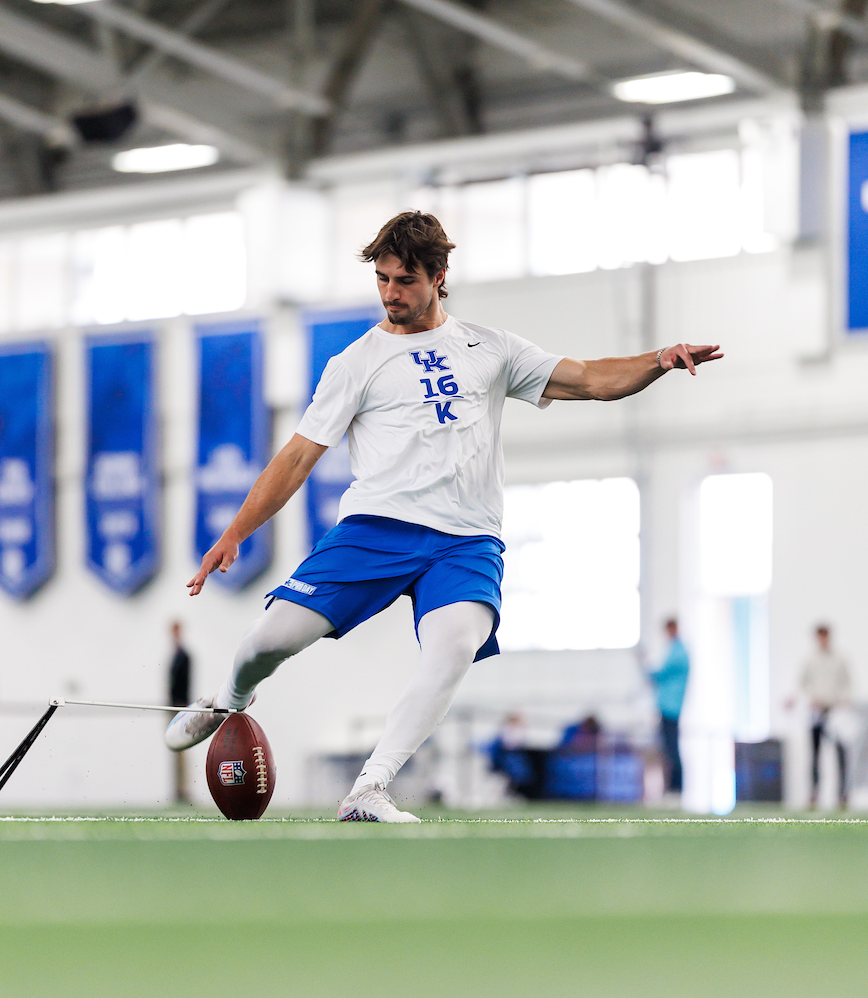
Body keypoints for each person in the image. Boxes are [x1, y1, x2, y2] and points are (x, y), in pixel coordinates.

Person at [165, 210, 722, 822]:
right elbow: (298, 456)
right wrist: (235, 533)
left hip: (466, 540)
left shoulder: (491, 348)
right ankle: (228, 698)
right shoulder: (356, 362)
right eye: (381, 279)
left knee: (455, 644)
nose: (390, 294)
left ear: (440, 275)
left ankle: (369, 789)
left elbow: (590, 379)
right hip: (376, 529)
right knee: (271, 640)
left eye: (404, 280)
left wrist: (661, 359)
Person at [791, 625, 852, 808]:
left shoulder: (840, 659)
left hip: (836, 713)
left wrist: (842, 700)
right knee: (815, 755)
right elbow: (802, 684)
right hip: (817, 713)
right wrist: (812, 697)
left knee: (841, 755)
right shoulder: (809, 660)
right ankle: (814, 793)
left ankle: (842, 795)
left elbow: (847, 683)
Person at [646, 618, 690, 796]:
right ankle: (672, 788)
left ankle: (675, 789)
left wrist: (644, 665)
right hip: (668, 707)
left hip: (670, 708)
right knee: (668, 749)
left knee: (671, 749)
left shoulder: (678, 652)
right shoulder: (675, 650)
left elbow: (658, 676)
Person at [168, 621, 192, 804]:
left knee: (181, 748)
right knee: (175, 749)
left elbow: (185, 683)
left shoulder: (184, 655)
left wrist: (182, 706)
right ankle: (178, 789)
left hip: (180, 707)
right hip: (173, 706)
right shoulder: (176, 654)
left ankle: (183, 790)